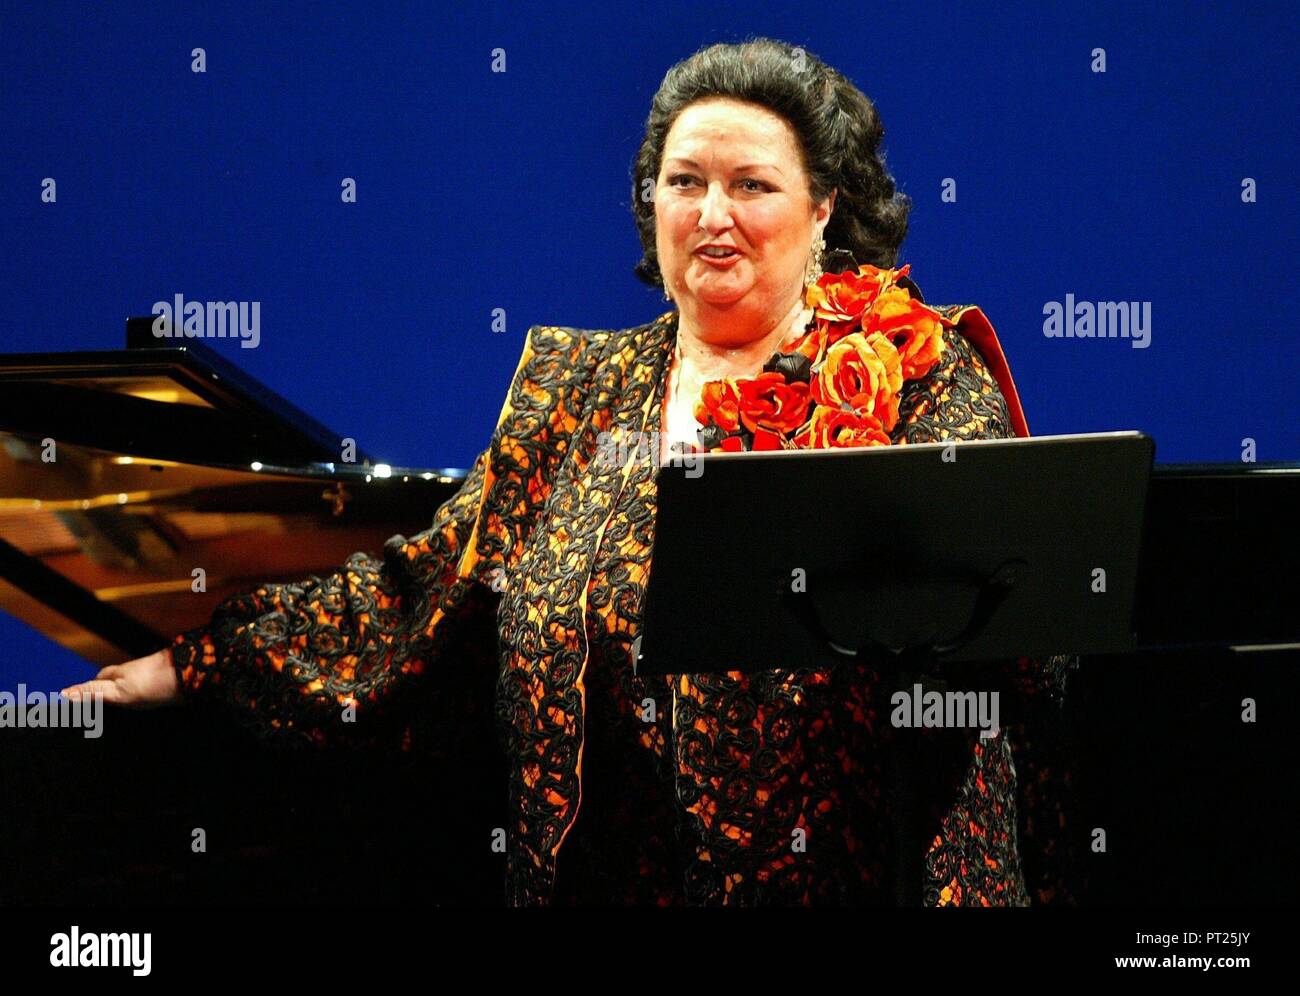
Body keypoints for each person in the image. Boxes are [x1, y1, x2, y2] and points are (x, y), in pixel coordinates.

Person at [62, 37, 1078, 907]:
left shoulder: (909, 370)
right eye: (685, 182)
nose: (711, 213)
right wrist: (190, 666)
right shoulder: (578, 388)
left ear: (823, 212)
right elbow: (427, 587)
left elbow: (1011, 629)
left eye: (751, 185)